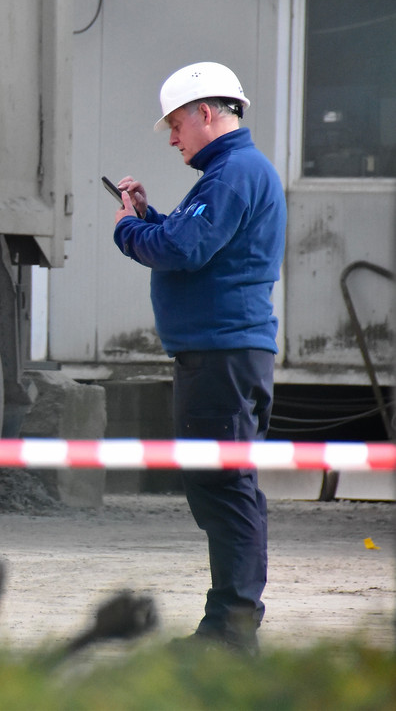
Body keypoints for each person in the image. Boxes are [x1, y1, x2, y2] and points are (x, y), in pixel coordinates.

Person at [112, 61, 285, 655]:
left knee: (224, 490)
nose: (171, 137)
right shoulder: (230, 172)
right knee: (222, 488)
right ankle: (228, 625)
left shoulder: (231, 174)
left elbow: (184, 249)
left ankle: (232, 631)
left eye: (176, 124)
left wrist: (128, 233)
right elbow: (194, 239)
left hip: (221, 356)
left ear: (206, 113)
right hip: (225, 353)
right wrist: (150, 218)